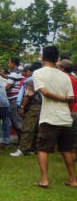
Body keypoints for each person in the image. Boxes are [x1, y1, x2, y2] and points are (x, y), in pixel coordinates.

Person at [32, 46, 76, 188]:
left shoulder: (38, 73)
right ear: (57, 59)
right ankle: (73, 179)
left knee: (43, 148)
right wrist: (67, 110)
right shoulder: (65, 76)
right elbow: (71, 98)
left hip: (49, 118)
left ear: (43, 57)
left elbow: (45, 92)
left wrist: (63, 99)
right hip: (65, 117)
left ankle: (45, 180)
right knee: (66, 149)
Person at [12, 64, 42, 157]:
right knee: (37, 129)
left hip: (33, 106)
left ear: (32, 71)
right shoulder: (43, 79)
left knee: (27, 128)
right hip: (42, 106)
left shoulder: (31, 80)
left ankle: (23, 149)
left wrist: (22, 107)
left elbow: (28, 95)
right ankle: (34, 148)